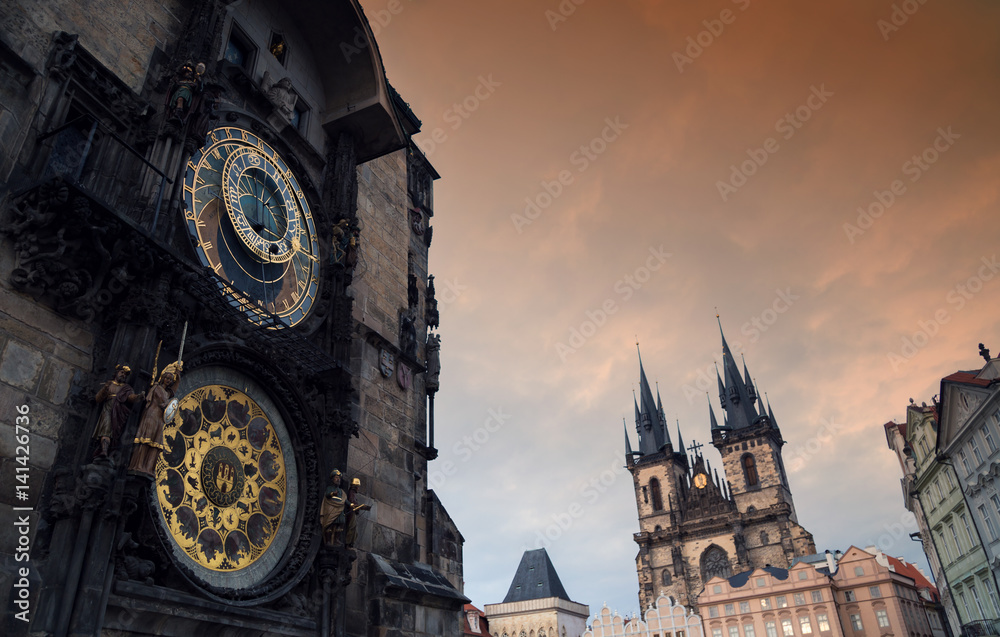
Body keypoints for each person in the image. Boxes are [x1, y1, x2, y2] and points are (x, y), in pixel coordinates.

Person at [128, 361, 181, 478]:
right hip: (151, 415)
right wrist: (168, 404)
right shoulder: (156, 388)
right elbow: (163, 404)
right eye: (166, 377)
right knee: (146, 439)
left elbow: (174, 390)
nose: (167, 380)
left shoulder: (167, 393)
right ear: (162, 378)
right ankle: (138, 465)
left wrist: (178, 376)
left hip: (160, 418)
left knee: (156, 443)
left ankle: (148, 468)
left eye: (169, 379)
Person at [93, 364, 142, 460]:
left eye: (125, 374)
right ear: (116, 373)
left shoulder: (126, 388)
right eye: (122, 372)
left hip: (119, 413)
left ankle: (109, 452)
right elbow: (98, 399)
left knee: (114, 433)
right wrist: (105, 388)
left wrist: (138, 397)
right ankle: (104, 451)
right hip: (108, 409)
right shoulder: (109, 384)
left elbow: (130, 397)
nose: (123, 375)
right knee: (106, 430)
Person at [320, 469, 347, 545]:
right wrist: (333, 494)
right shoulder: (330, 488)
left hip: (340, 507)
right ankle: (328, 540)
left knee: (341, 523)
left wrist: (351, 505)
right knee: (329, 524)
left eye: (339, 478)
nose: (338, 479)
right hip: (331, 507)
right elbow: (327, 494)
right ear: (332, 479)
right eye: (336, 477)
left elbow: (345, 500)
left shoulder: (341, 491)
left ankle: (336, 539)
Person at [344, 478, 371, 547]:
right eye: (358, 487)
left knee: (354, 529)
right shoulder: (351, 493)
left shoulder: (353, 493)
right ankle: (347, 543)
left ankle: (350, 543)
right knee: (352, 528)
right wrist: (361, 507)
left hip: (353, 513)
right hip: (351, 513)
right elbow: (352, 503)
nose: (358, 489)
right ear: (355, 486)